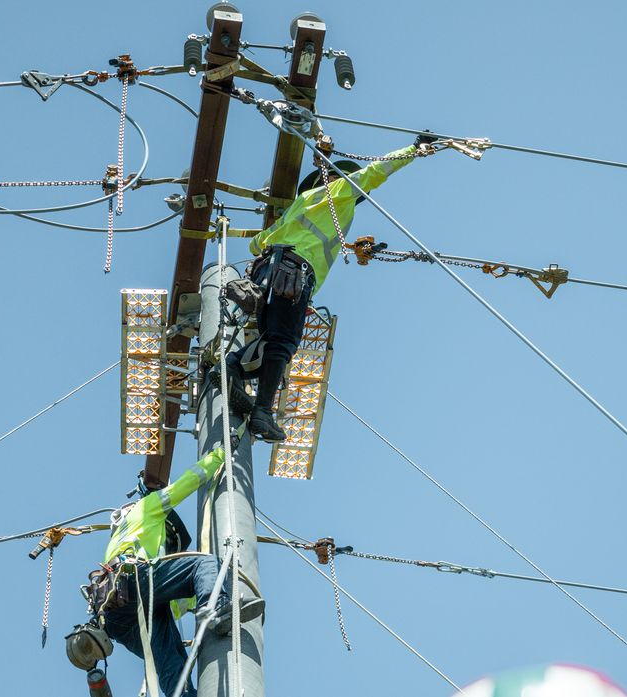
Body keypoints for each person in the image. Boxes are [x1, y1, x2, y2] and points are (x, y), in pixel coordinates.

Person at [216, 141, 423, 441]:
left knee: (272, 340)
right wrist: (414, 150)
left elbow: (256, 244)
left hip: (268, 274)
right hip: (294, 275)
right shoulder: (337, 192)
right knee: (283, 342)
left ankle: (234, 369)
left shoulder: (295, 211)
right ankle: (260, 407)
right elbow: (377, 171)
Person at [92, 448, 264, 697]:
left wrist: (205, 591)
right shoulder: (145, 508)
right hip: (133, 583)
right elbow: (187, 483)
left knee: (172, 663)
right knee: (203, 563)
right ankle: (217, 608)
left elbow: (176, 605)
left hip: (118, 616)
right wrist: (220, 454)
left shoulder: (121, 537)